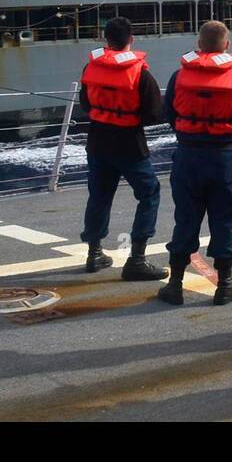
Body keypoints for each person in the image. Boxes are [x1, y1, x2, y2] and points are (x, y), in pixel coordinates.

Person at [157, 20, 232, 307]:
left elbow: (170, 113)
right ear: (226, 45)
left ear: (199, 45)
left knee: (185, 218)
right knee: (225, 219)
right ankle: (224, 285)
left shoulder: (180, 76)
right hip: (224, 157)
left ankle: (175, 284)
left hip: (188, 156)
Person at [77, 16, 167, 280]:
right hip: (129, 144)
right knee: (149, 194)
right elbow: (153, 114)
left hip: (97, 142)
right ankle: (137, 258)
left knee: (99, 196)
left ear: (106, 40)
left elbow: (85, 104)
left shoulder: (89, 68)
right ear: (131, 40)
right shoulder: (141, 74)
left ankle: (94, 252)